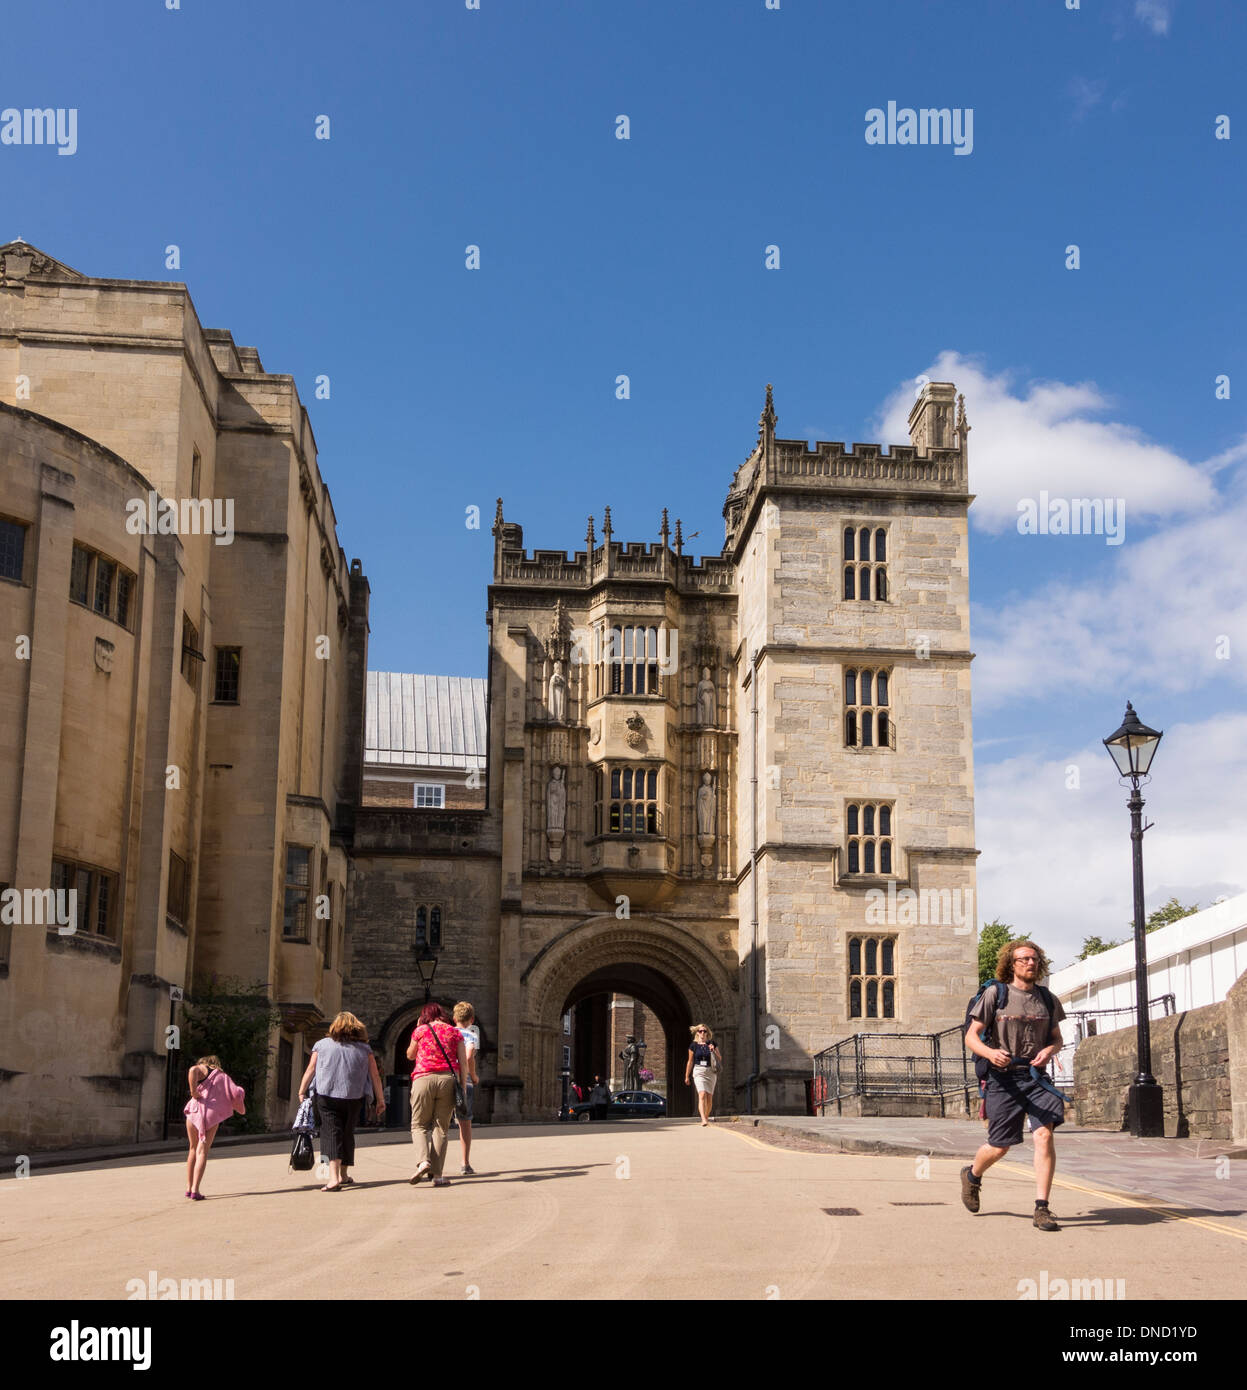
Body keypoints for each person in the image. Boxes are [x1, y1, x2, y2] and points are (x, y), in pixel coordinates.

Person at [961, 939, 1067, 1231]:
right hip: (1003, 1078)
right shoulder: (997, 994)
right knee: (1000, 1146)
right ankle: (972, 1175)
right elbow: (972, 1036)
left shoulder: (1047, 998)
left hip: (1035, 1078)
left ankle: (1042, 1208)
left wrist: (1050, 1050)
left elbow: (1057, 1038)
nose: (1030, 963)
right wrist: (991, 1053)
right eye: (1023, 959)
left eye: (1034, 959)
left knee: (1044, 1136)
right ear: (1011, 963)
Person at [297, 1012, 385, 1192]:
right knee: (346, 1133)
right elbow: (374, 1075)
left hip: (326, 1095)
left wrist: (302, 1089)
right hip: (354, 1097)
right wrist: (380, 1099)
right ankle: (343, 1175)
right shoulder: (364, 1049)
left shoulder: (321, 1045)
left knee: (331, 1133)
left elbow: (311, 1069)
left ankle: (334, 1178)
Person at [407, 1003, 468, 1188]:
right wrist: (463, 1087)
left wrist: (418, 1029)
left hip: (423, 1078)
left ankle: (424, 1161)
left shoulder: (421, 1030)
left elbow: (410, 1055)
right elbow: (463, 1063)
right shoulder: (454, 1032)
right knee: (441, 1128)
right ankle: (438, 1176)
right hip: (448, 1080)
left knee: (419, 1124)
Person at [183, 1054, 246, 1200]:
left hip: (194, 1110)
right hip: (211, 1115)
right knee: (203, 1151)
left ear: (204, 1062)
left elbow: (192, 1070)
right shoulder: (223, 1077)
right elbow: (236, 1092)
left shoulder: (203, 1070)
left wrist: (194, 1092)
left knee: (192, 1148)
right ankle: (195, 1190)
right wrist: (241, 1095)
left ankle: (188, 1187)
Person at [453, 1001, 480, 1176]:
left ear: (454, 1018)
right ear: (472, 1019)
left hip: (446, 1077)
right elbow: (469, 1055)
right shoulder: (471, 1035)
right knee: (465, 1123)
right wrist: (474, 1075)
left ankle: (433, 1162)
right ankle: (465, 1163)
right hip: (464, 1083)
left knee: (440, 1122)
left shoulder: (448, 1032)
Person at [685, 1024, 722, 1126]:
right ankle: (703, 1119)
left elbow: (719, 1058)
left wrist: (713, 1050)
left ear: (707, 1033)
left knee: (709, 1097)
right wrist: (687, 1076)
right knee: (702, 1094)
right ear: (697, 1032)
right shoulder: (693, 1045)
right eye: (700, 1031)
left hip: (710, 1071)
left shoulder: (712, 1043)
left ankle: (706, 1116)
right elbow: (690, 1061)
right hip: (699, 1071)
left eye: (704, 1031)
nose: (702, 1033)